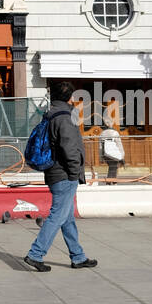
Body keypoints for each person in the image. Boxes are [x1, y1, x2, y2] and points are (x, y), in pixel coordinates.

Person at [23, 81, 97, 273]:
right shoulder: (66, 117)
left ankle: (78, 256)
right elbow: (69, 147)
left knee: (67, 217)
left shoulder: (51, 114)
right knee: (57, 215)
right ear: (70, 98)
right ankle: (35, 254)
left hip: (55, 172)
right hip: (64, 174)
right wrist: (74, 172)